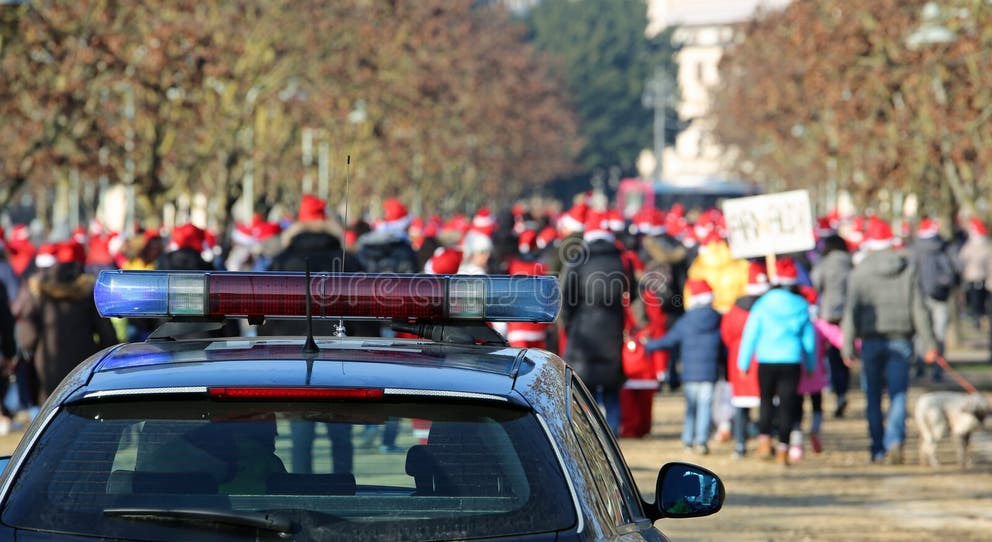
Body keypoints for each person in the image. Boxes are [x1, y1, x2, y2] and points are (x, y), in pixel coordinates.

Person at [256, 194, 361, 472]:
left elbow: (267, 321)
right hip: (343, 365)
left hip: (293, 362)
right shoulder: (347, 261)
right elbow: (366, 321)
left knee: (300, 438)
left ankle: (301, 492)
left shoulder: (281, 261)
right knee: (341, 438)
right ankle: (345, 490)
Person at [842, 217, 938, 465]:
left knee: (872, 395)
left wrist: (847, 345)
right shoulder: (907, 269)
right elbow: (919, 310)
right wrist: (930, 344)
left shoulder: (859, 272)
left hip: (871, 342)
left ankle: (877, 448)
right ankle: (894, 441)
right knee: (898, 394)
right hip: (901, 341)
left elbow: (850, 312)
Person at [14, 241, 118, 404]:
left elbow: (27, 336)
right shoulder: (88, 291)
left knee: (52, 417)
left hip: (48, 365)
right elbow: (107, 335)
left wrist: (30, 351)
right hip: (84, 365)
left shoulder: (38, 291)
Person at [737, 257, 815, 466]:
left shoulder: (763, 303)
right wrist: (810, 364)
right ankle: (783, 447)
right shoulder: (801, 304)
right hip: (792, 360)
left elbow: (750, 334)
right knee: (788, 405)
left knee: (766, 402)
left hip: (767, 360)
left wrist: (743, 362)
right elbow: (808, 340)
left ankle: (764, 442)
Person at [560, 210, 631, 435]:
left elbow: (564, 296)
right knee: (611, 386)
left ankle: (583, 431)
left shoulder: (577, 259)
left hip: (583, 330)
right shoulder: (621, 260)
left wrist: (568, 324)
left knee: (583, 388)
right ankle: (613, 430)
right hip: (613, 329)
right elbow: (633, 294)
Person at [645, 279, 723, 454]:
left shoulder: (686, 321)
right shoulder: (717, 319)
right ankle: (701, 441)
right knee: (705, 407)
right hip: (709, 371)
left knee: (691, 408)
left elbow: (669, 340)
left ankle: (688, 439)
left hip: (690, 372)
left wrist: (648, 345)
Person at [720, 261, 769, 458]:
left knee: (741, 406)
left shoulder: (735, 309)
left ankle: (740, 444)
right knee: (767, 404)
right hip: (764, 357)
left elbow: (726, 333)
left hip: (738, 359)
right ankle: (765, 439)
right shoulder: (768, 305)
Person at [908, 217, 958, 384]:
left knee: (921, 334)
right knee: (939, 334)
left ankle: (920, 367)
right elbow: (954, 269)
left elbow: (909, 272)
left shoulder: (914, 248)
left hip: (919, 296)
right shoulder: (944, 247)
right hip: (940, 296)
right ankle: (938, 371)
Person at [810, 233, 852, 418]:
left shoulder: (823, 263)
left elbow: (815, 283)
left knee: (832, 356)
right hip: (849, 314)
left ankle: (836, 389)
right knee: (846, 353)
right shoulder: (850, 263)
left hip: (829, 314)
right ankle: (843, 390)